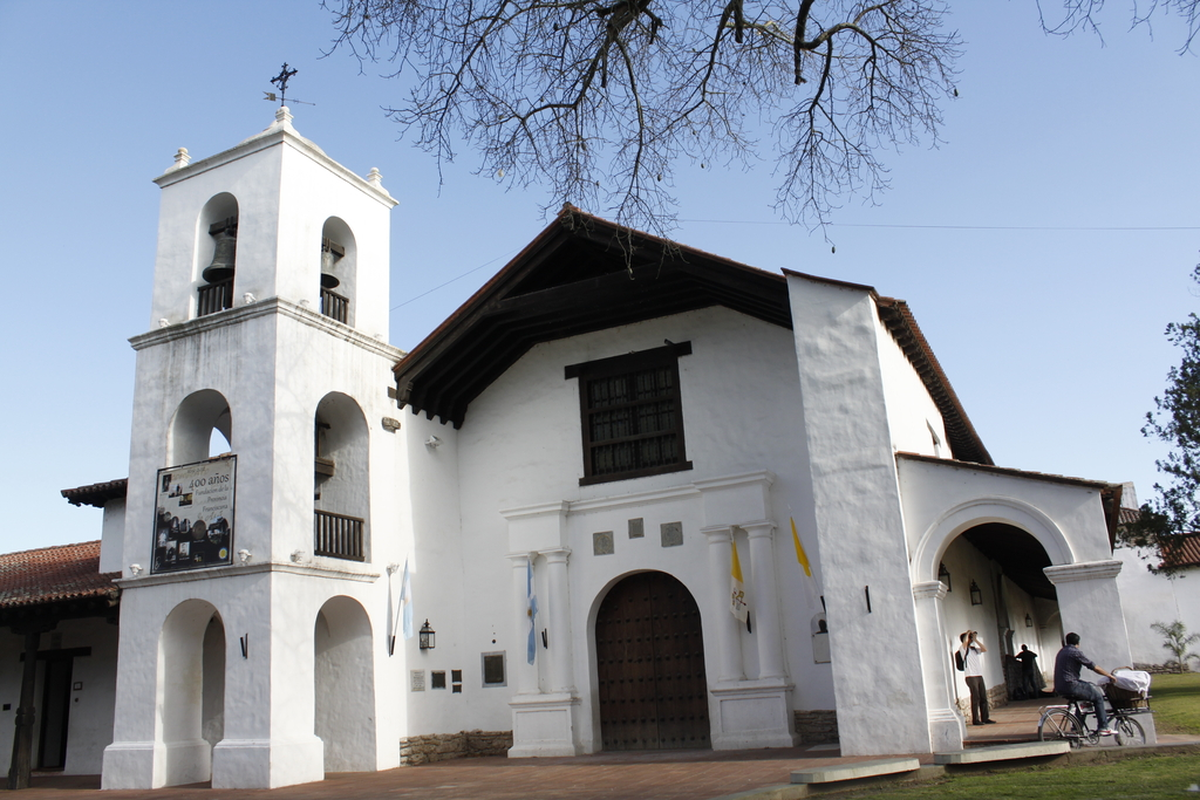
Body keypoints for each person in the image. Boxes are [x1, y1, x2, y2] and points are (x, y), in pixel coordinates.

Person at [1053, 632, 1117, 735]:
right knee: (1098, 697)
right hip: (1071, 685)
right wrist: (1109, 675)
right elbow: (1093, 666)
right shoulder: (1075, 652)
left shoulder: (1062, 652)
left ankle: (1077, 730)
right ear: (1078, 643)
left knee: (1082, 704)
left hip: (1060, 686)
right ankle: (1103, 727)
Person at [959, 631, 994, 725]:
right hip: (970, 676)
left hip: (979, 675)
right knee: (976, 697)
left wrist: (976, 640)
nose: (971, 640)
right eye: (970, 638)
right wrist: (968, 633)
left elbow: (984, 649)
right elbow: (965, 642)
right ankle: (976, 719)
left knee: (983, 697)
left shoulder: (974, 649)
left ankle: (985, 718)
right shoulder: (963, 649)